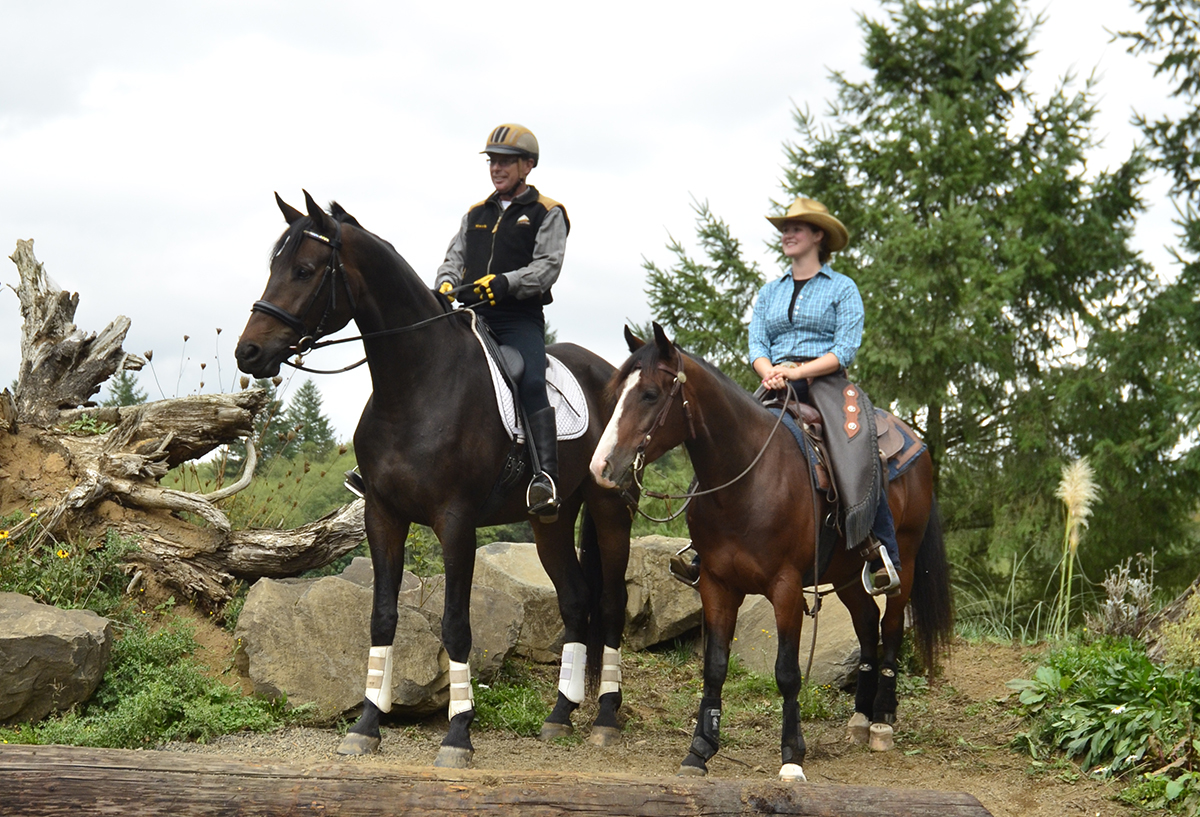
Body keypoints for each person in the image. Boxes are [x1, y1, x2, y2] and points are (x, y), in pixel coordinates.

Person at [669, 197, 900, 595]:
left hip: (824, 381)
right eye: (784, 229)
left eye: (796, 228)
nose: (787, 234)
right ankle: (703, 551)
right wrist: (770, 372)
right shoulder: (769, 291)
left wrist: (798, 371)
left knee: (855, 445)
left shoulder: (843, 288)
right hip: (774, 380)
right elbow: (757, 342)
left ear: (817, 236)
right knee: (722, 438)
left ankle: (881, 553)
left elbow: (844, 348)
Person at [433, 124, 568, 522]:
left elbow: (547, 267)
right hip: (470, 315)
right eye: (493, 160)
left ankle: (546, 477)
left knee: (529, 378)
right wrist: (445, 280)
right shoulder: (475, 213)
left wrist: (507, 283)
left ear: (528, 165)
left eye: (505, 161)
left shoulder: (547, 212)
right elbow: (454, 257)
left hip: (516, 318)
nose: (496, 168)